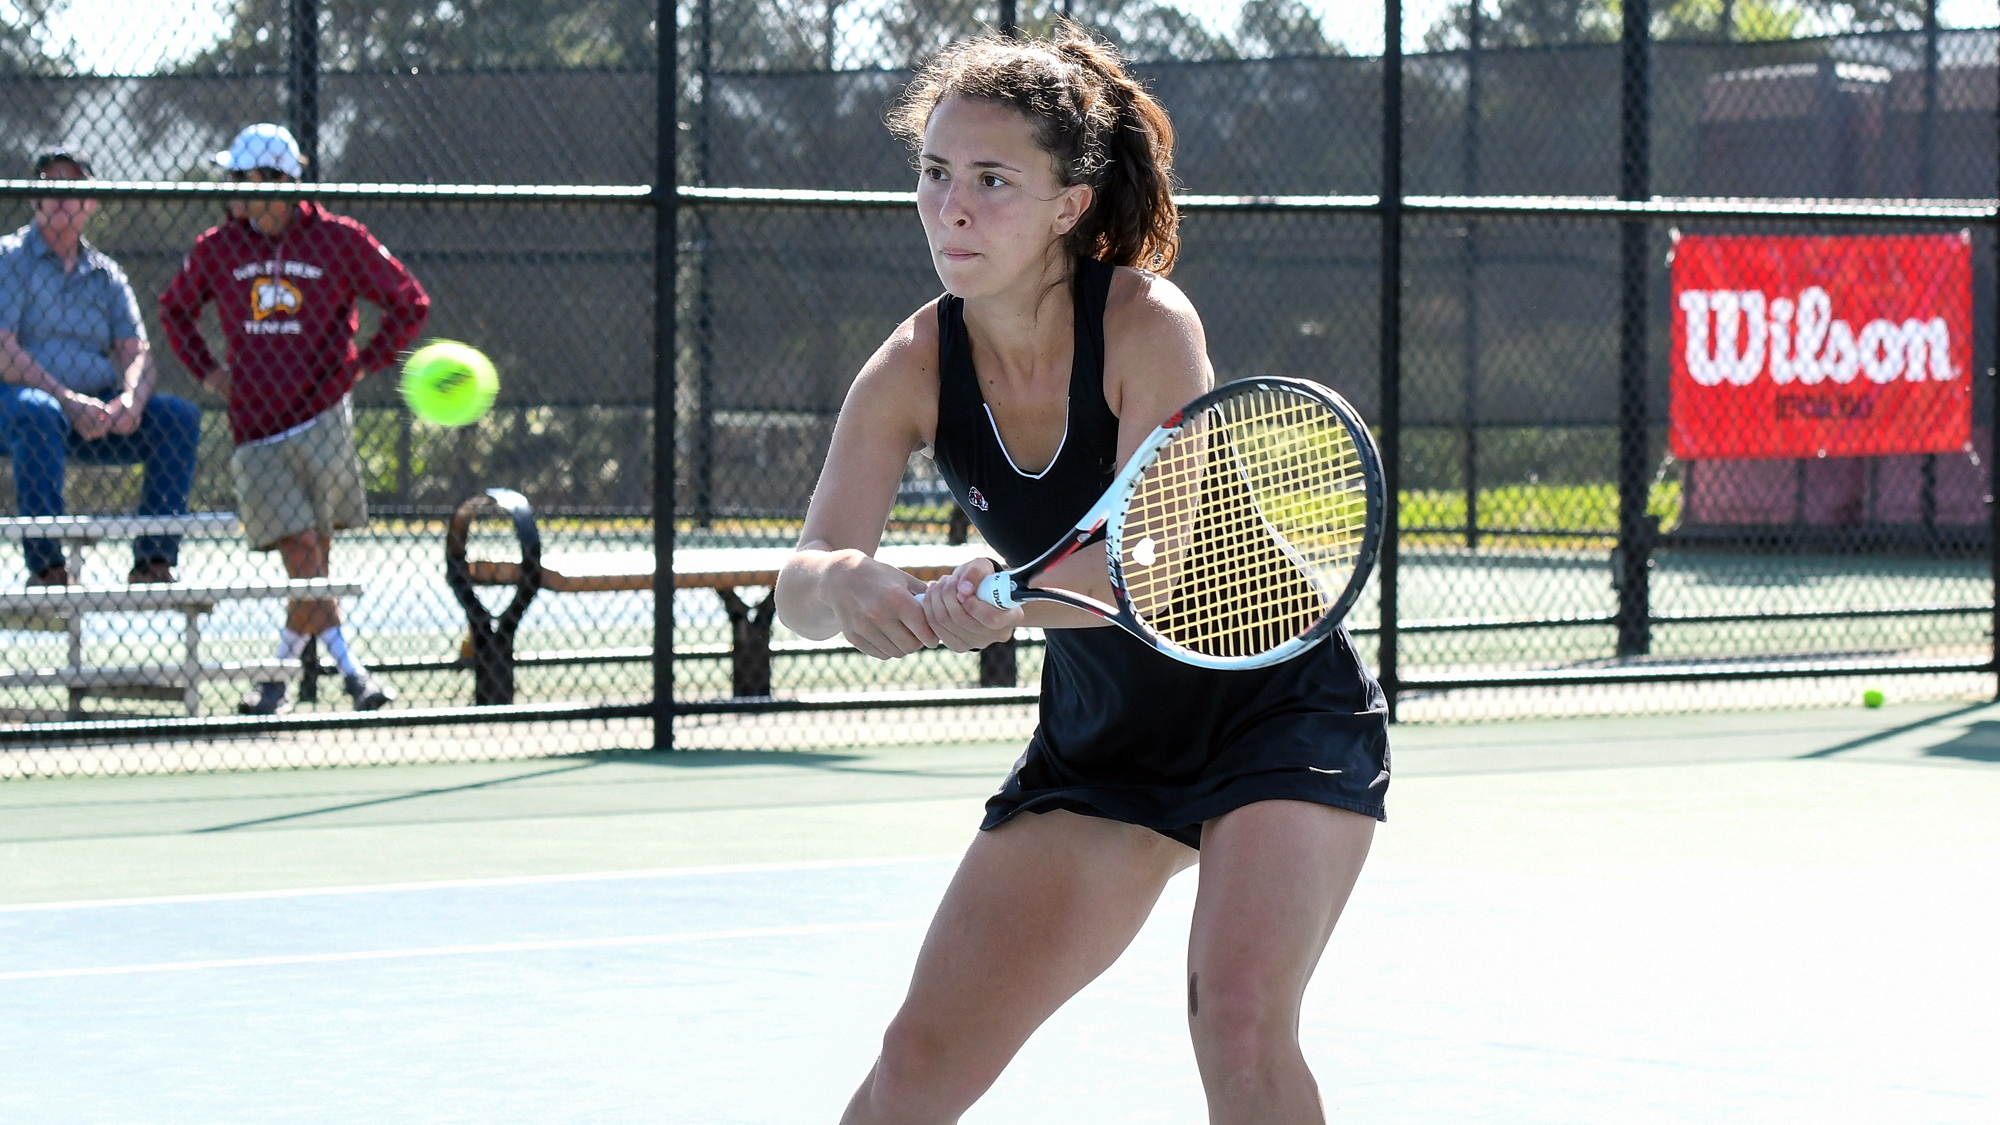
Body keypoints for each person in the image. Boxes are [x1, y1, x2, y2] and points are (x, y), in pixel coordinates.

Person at [773, 25, 1389, 1124]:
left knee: (1238, 1019)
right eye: (935, 173)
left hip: (1273, 709)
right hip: (1102, 741)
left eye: (992, 181)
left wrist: (993, 604)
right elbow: (804, 580)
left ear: (1068, 205)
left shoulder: (1147, 324)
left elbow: (1135, 566)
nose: (952, 209)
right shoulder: (912, 365)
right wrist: (852, 585)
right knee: (918, 1058)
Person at [160, 123, 429, 714]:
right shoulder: (217, 247)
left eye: (240, 177)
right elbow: (174, 310)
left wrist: (366, 363)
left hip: (324, 417)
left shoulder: (338, 239)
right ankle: (354, 673)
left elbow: (410, 301)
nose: (231, 188)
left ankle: (276, 681)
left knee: (313, 561)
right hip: (256, 428)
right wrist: (208, 372)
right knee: (302, 549)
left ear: (274, 182)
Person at [0, 145, 200, 585]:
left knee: (178, 417)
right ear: (33, 197)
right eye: (49, 184)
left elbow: (137, 352)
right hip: (19, 409)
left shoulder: (107, 274)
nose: (60, 195)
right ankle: (48, 568)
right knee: (38, 412)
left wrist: (130, 401)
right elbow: (4, 352)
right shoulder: (8, 258)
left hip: (96, 414)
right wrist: (67, 400)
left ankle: (153, 561)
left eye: (72, 185)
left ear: (91, 201)